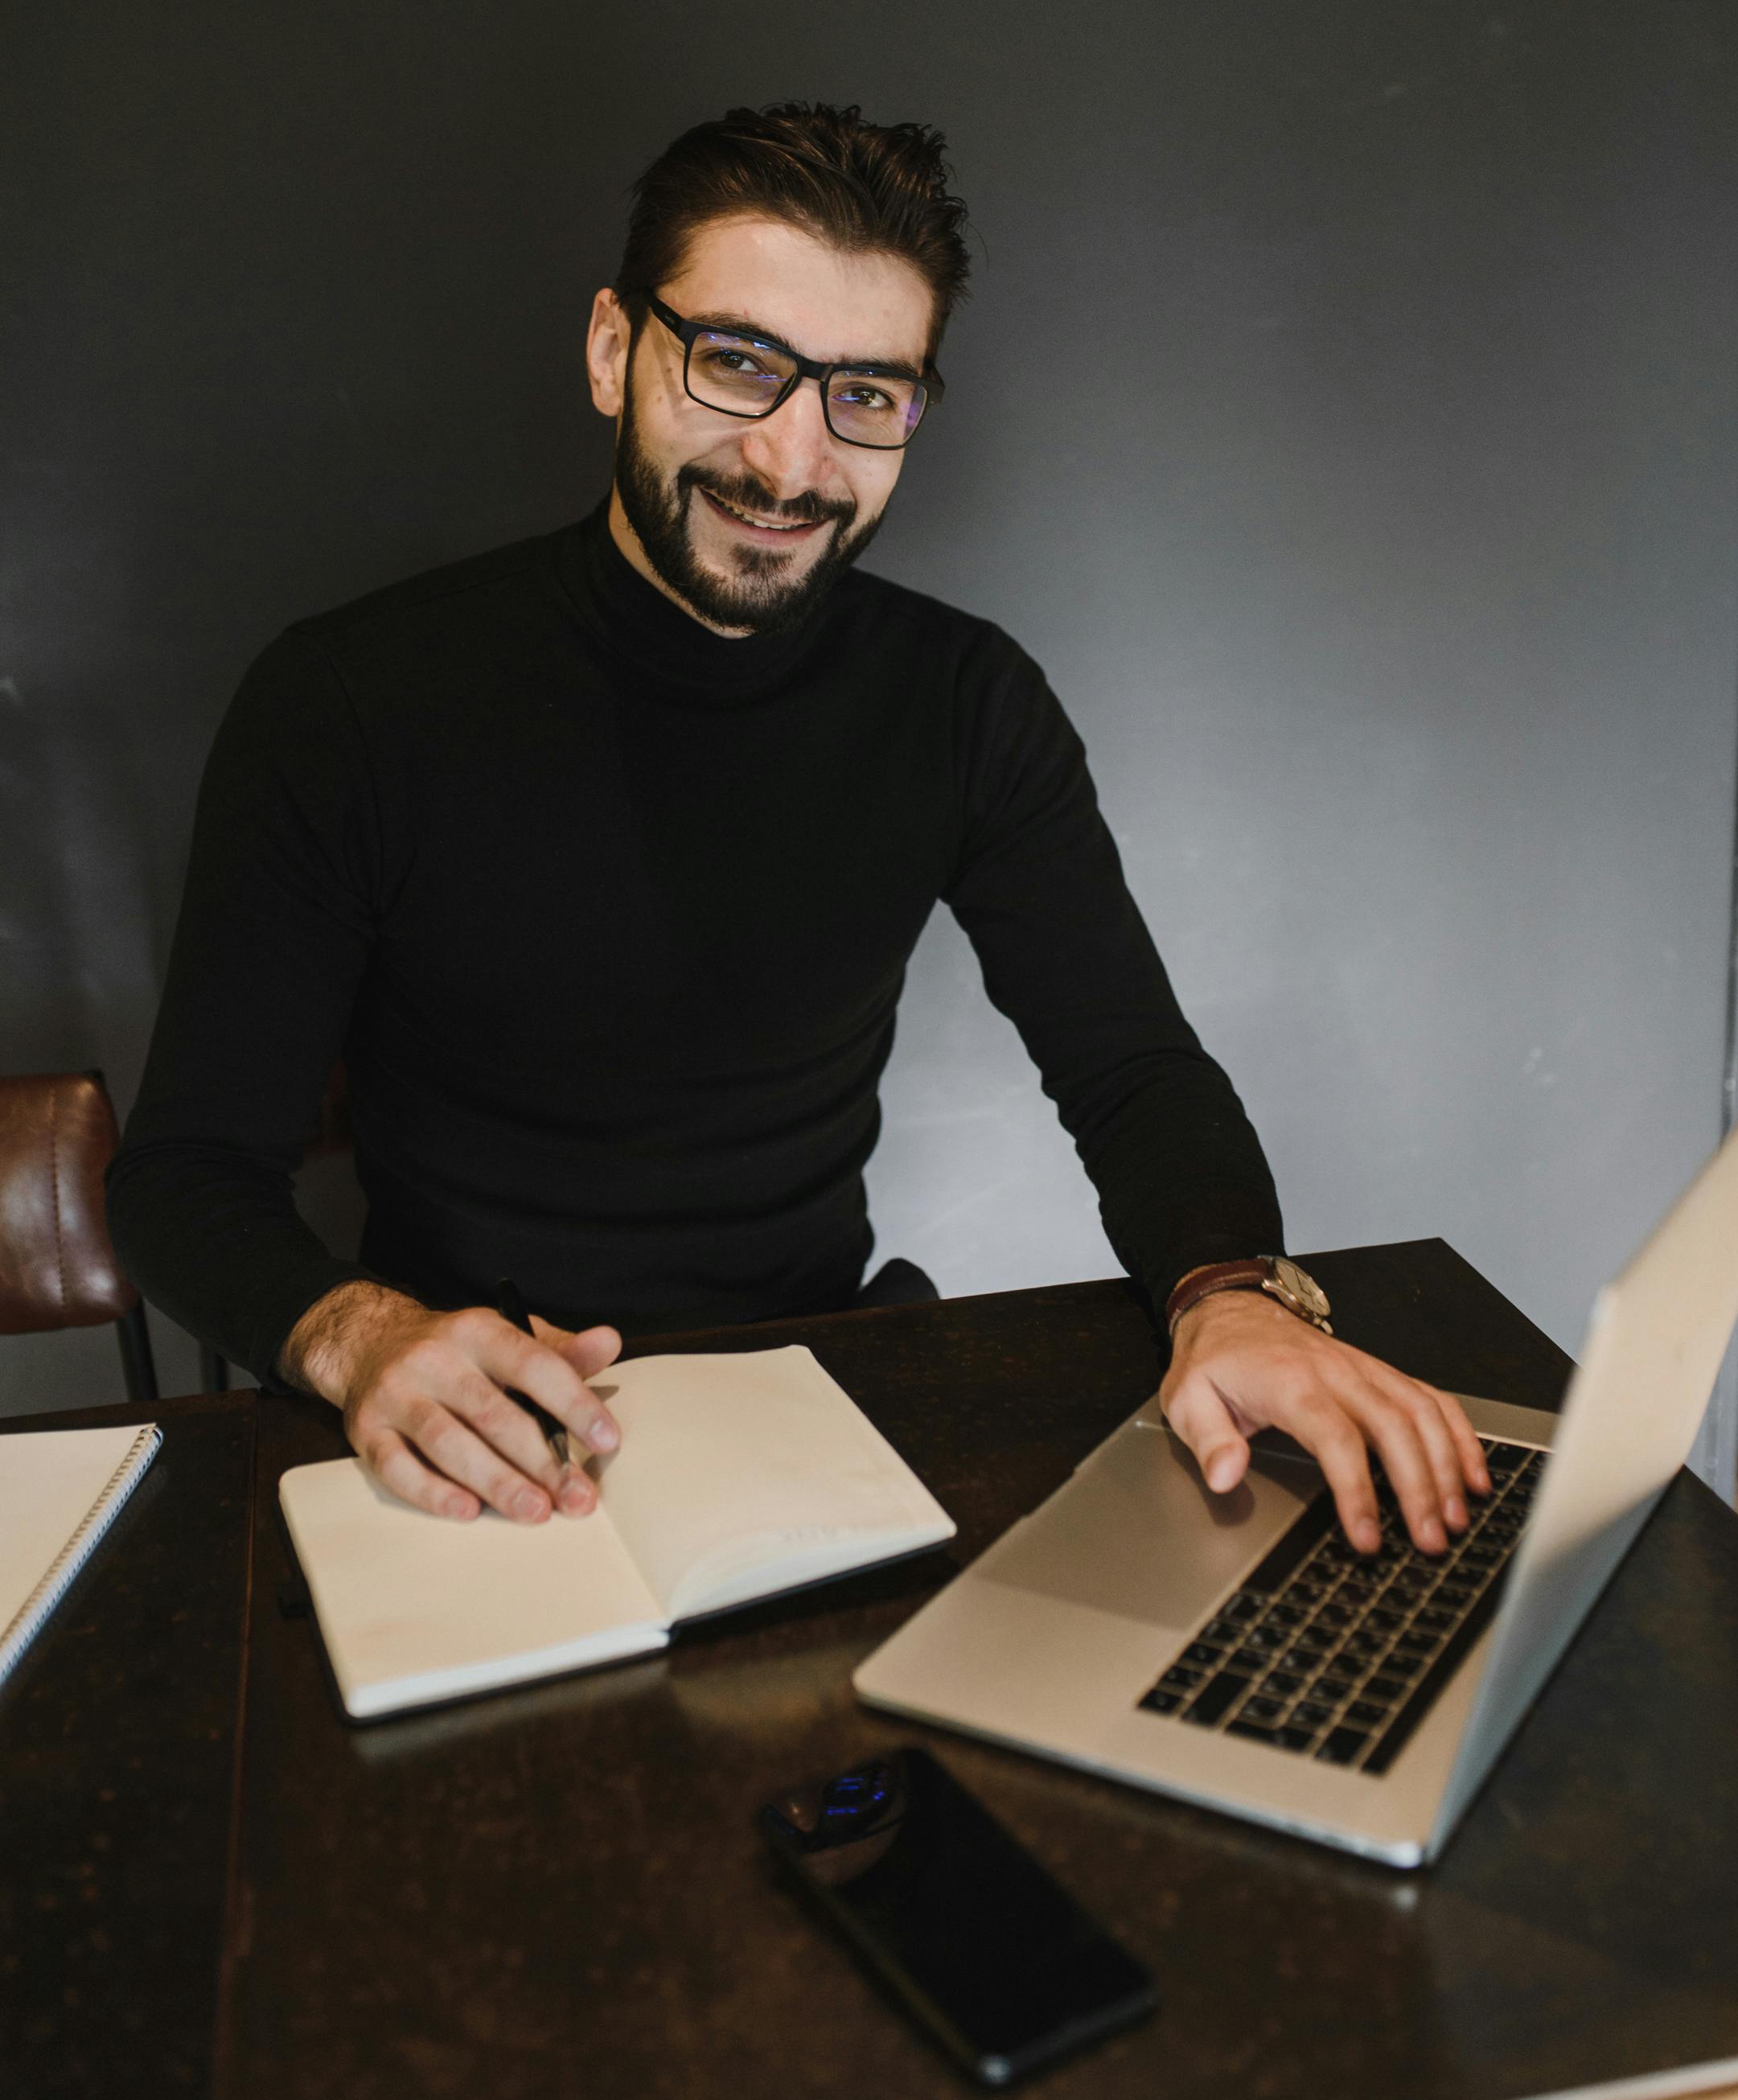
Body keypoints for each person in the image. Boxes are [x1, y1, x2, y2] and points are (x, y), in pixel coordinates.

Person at [109, 103, 1488, 1554]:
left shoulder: (965, 702)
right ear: (612, 351)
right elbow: (185, 1174)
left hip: (823, 1406)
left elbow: (1132, 1070)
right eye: (738, 362)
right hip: (473, 1435)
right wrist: (363, 1337)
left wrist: (1235, 1300)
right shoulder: (349, 699)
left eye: (866, 394)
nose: (789, 463)